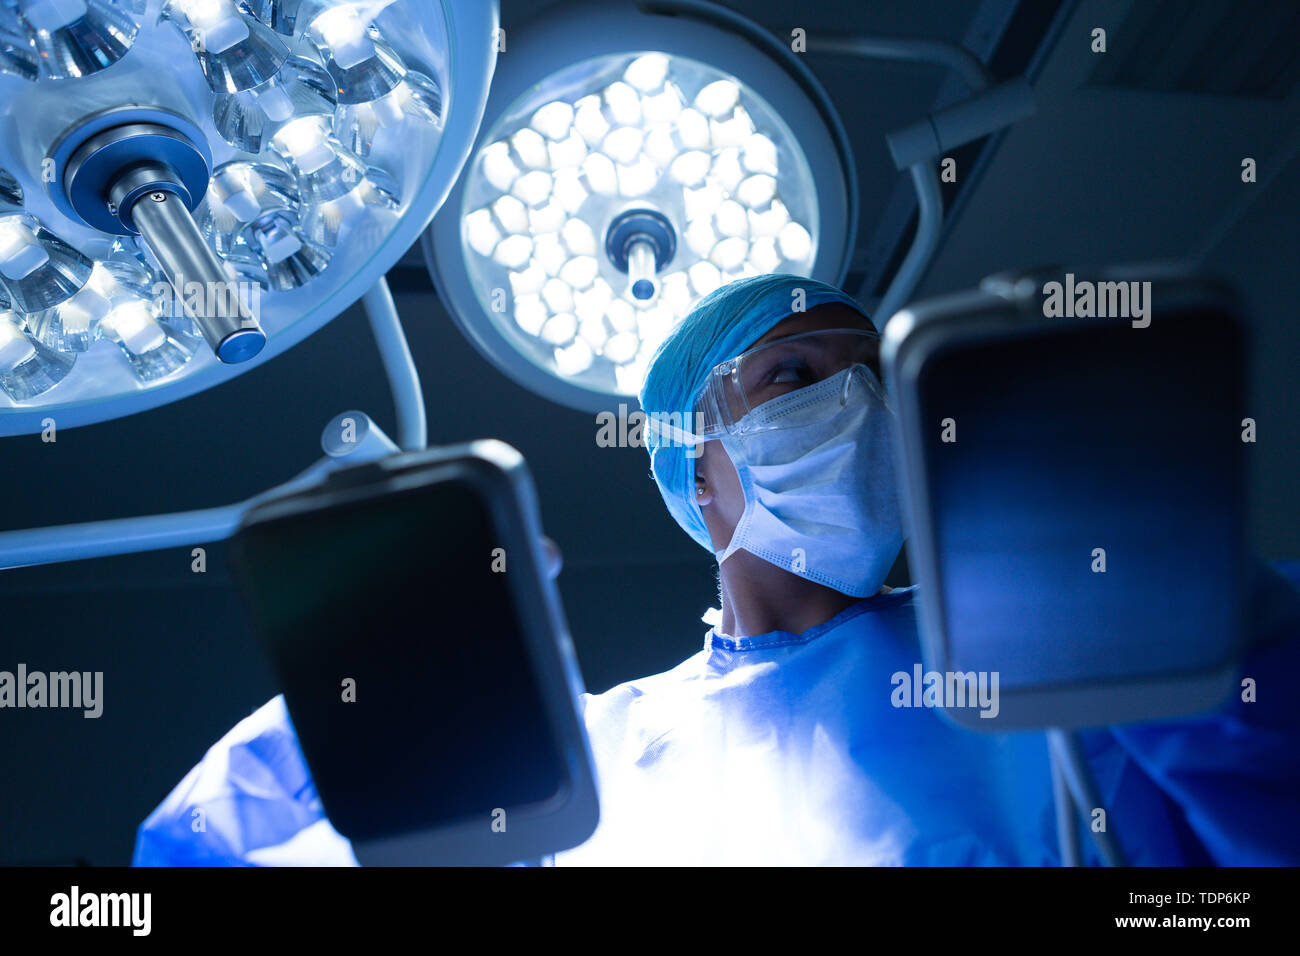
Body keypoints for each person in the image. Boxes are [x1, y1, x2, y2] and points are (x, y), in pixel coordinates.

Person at [134, 274, 1300, 866]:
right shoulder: (574, 757)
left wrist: (1160, 577)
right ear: (698, 470)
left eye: (877, 381)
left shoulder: (1048, 668)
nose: (859, 412)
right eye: (794, 376)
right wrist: (398, 670)